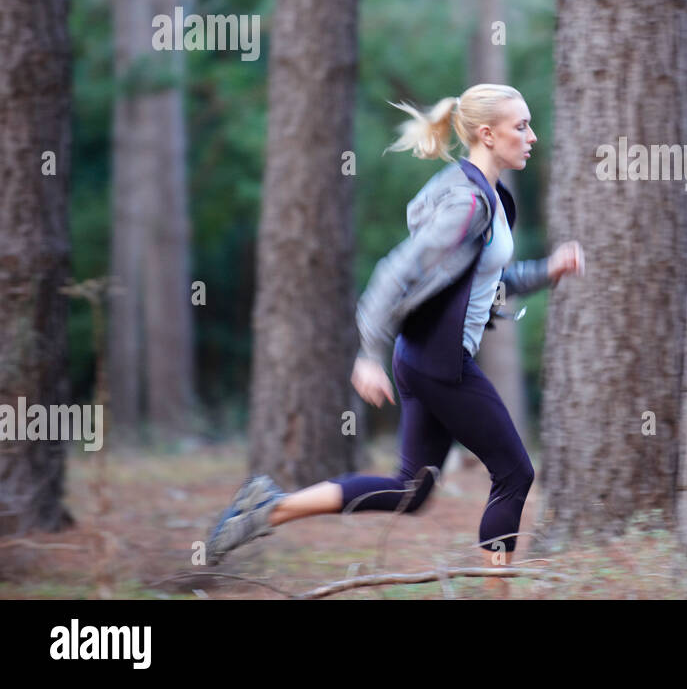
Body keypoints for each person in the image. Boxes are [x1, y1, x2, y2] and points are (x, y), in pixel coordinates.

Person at [205, 84, 584, 596]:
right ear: (488, 135)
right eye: (522, 126)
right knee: (515, 472)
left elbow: (487, 282)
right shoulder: (468, 203)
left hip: (423, 358)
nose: (532, 136)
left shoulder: (493, 200)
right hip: (437, 362)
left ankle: (268, 508)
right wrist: (368, 355)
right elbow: (393, 273)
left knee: (410, 489)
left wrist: (547, 271)